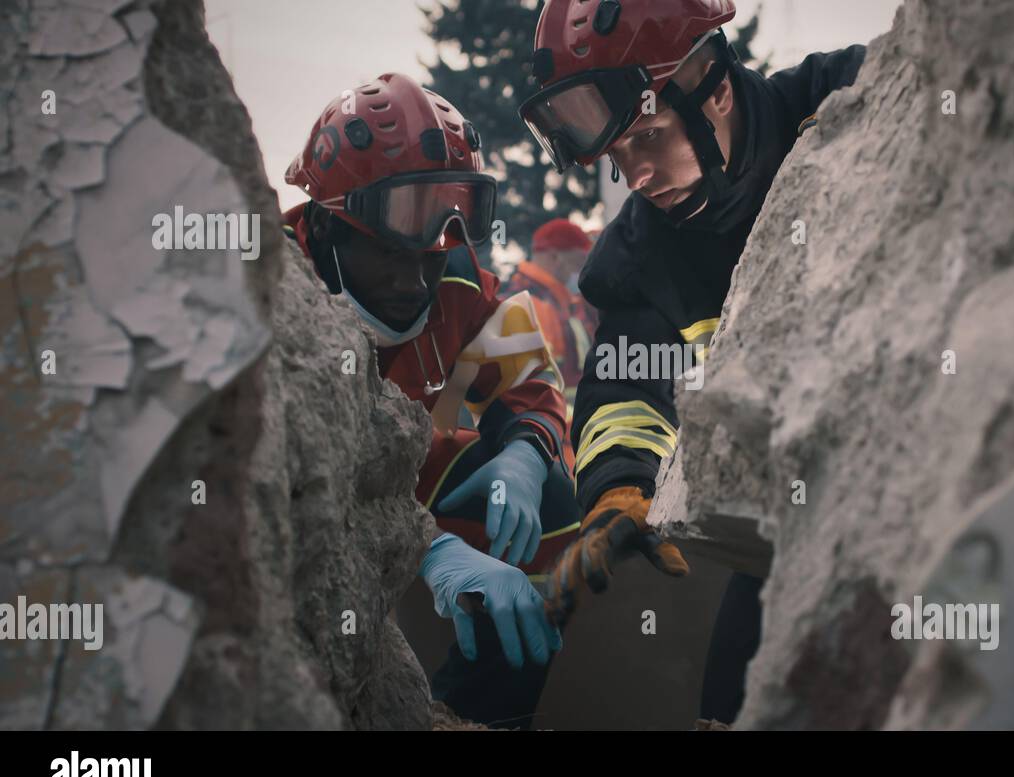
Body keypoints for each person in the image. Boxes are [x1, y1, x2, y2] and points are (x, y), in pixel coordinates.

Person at [519, 0, 867, 723]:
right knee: (736, 699)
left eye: (648, 137)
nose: (638, 176)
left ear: (715, 89)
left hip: (930, 464)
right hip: (794, 516)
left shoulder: (850, 103)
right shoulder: (643, 257)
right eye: (619, 156)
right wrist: (619, 488)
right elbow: (625, 385)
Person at [283, 72, 580, 728]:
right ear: (330, 227)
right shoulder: (273, 295)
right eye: (397, 241)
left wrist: (527, 457)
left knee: (552, 500)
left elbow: (531, 385)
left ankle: (469, 711)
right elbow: (292, 492)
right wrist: (434, 551)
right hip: (309, 522)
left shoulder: (451, 281)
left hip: (407, 493)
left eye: (443, 230)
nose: (419, 273)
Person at [501, 219, 599, 407]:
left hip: (561, 427)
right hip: (556, 429)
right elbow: (533, 393)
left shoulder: (558, 303)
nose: (583, 271)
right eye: (580, 263)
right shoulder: (533, 308)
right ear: (555, 258)